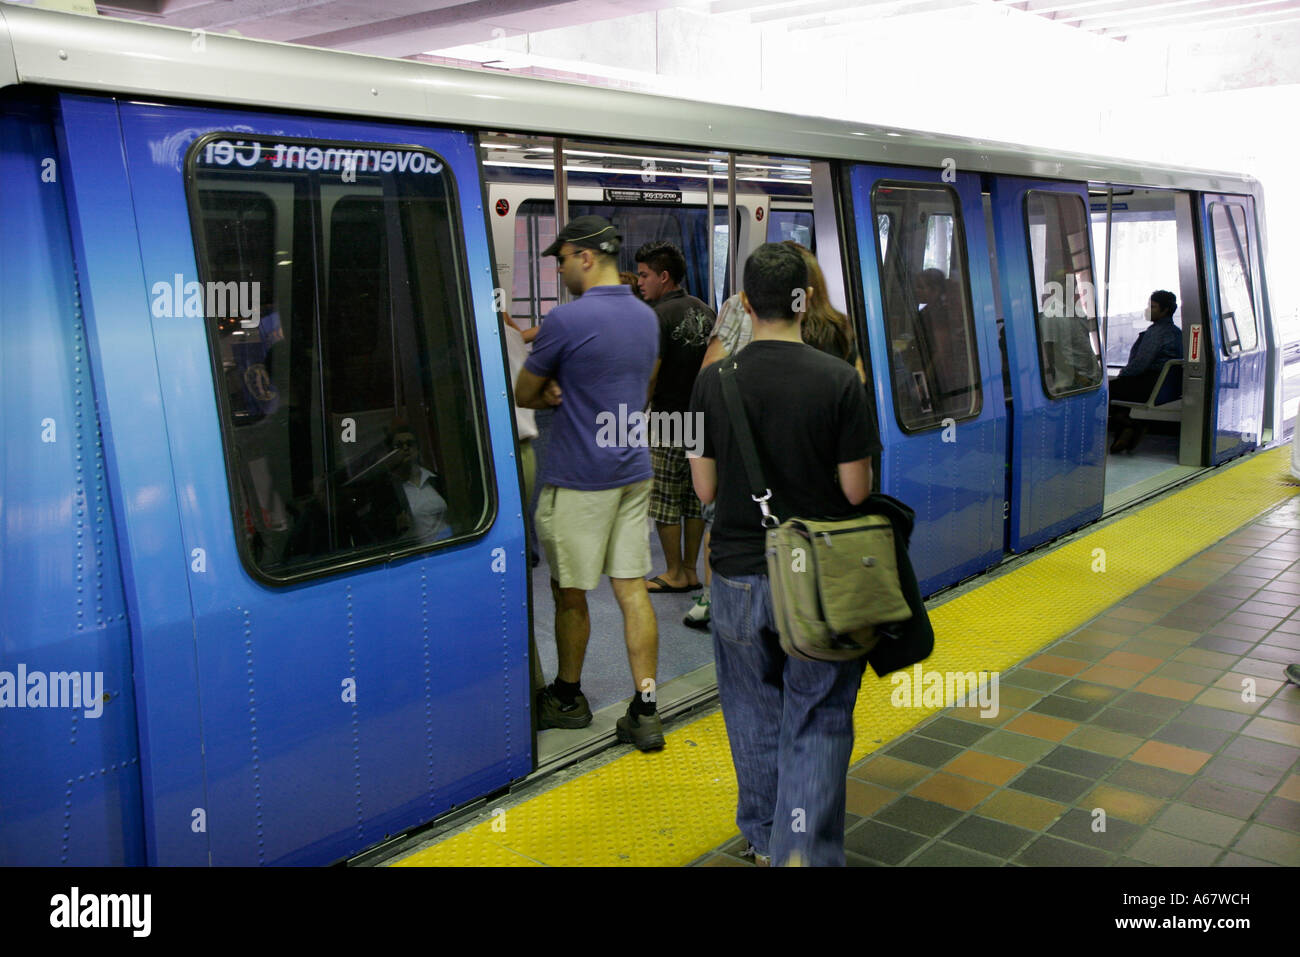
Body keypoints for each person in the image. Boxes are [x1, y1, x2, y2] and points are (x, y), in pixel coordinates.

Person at [687, 242, 881, 866]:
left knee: (751, 712)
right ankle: (807, 852)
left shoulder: (713, 380)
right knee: (819, 714)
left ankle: (768, 841)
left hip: (739, 574)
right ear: (805, 300)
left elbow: (705, 489)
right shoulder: (840, 381)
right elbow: (856, 490)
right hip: (820, 579)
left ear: (745, 304)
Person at [514, 215, 665, 751]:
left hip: (580, 476)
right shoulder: (646, 318)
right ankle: (646, 708)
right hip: (632, 470)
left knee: (569, 591)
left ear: (584, 257)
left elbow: (523, 391)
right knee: (631, 589)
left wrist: (557, 392)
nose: (559, 270)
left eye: (561, 260)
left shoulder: (566, 321)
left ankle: (568, 696)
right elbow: (644, 384)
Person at [635, 240, 716, 596]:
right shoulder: (707, 311)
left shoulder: (656, 317)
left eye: (645, 275)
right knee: (695, 498)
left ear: (664, 276)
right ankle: (690, 569)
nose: (640, 282)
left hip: (668, 420)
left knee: (666, 499)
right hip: (701, 418)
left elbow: (651, 375)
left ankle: (672, 572)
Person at [1110, 290, 1182, 453]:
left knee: (1106, 392)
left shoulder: (1156, 333)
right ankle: (1123, 435)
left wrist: (1122, 374)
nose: (1148, 310)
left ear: (1165, 310)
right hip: (1165, 387)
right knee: (1121, 390)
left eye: (1153, 306)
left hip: (1149, 384)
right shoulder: (1177, 333)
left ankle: (1131, 426)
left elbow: (1140, 364)